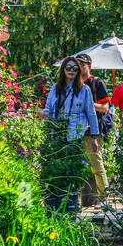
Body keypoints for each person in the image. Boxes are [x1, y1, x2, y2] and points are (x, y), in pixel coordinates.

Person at [41, 57, 99, 213]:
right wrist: (41, 114)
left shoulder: (84, 90)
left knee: (73, 168)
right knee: (57, 168)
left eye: (75, 68)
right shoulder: (55, 88)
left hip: (75, 134)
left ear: (79, 71)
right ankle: (56, 206)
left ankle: (72, 205)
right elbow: (48, 109)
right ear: (63, 70)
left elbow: (91, 114)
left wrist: (94, 137)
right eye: (68, 68)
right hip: (57, 134)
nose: (71, 71)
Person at [75, 53, 111, 203]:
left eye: (82, 64)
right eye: (77, 64)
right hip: (75, 129)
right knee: (74, 164)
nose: (79, 67)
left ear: (89, 66)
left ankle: (104, 200)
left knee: (96, 165)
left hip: (93, 130)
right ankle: (74, 199)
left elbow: (105, 108)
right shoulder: (72, 83)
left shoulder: (96, 83)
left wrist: (88, 105)